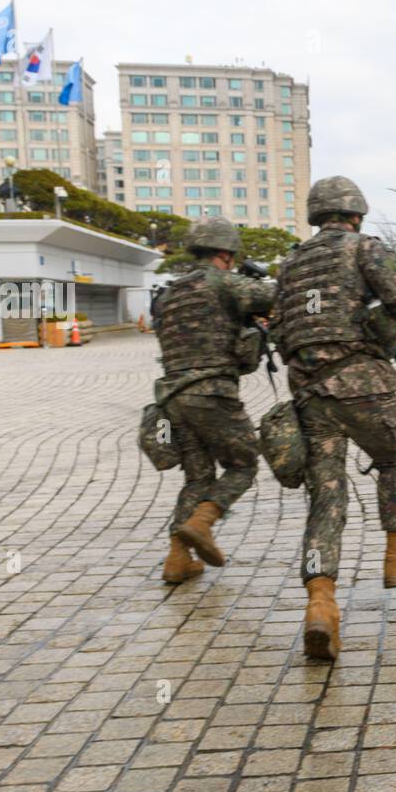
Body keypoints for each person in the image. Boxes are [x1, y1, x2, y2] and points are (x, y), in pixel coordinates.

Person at [272, 176, 396, 661]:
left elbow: (279, 329)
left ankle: (321, 605)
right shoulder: (364, 248)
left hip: (308, 395)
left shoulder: (289, 264)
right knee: (395, 462)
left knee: (326, 498)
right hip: (362, 385)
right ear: (356, 214)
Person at [154, 217, 276, 583]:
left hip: (170, 398)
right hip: (212, 393)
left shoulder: (169, 293)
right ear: (225, 253)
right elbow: (278, 298)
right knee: (243, 465)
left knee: (198, 477)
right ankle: (202, 522)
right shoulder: (224, 282)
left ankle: (178, 559)